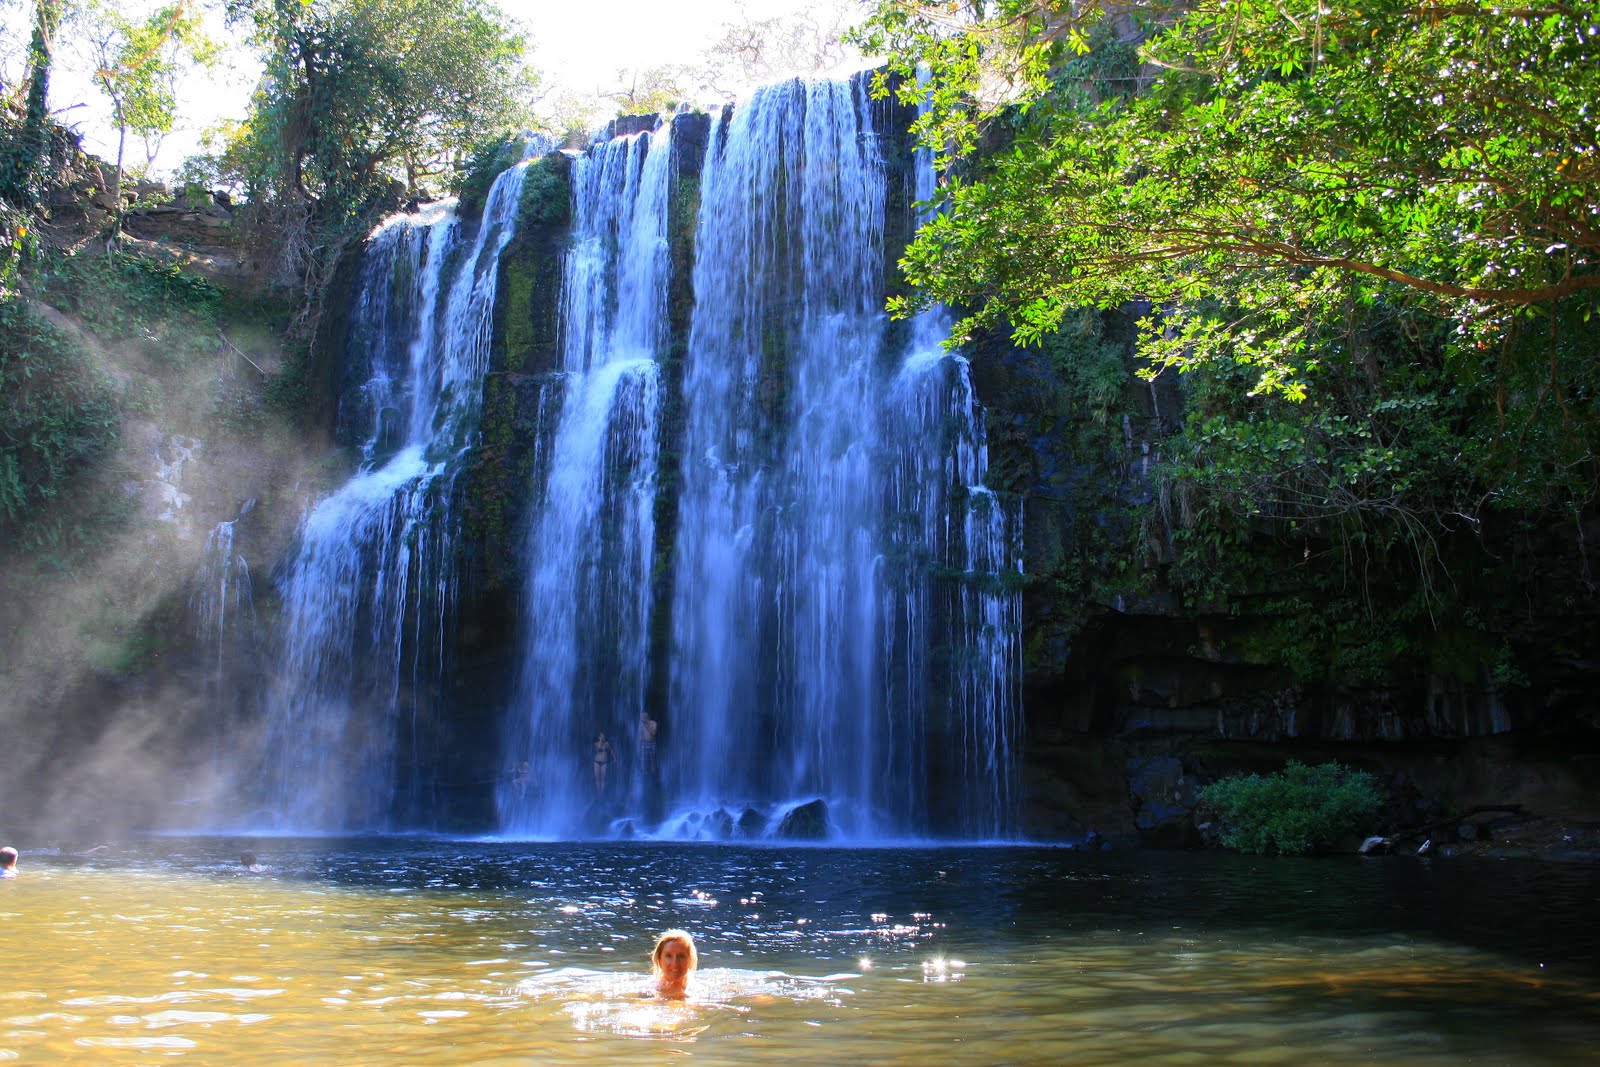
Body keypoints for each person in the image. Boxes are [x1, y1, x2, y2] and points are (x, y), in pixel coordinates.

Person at [649, 929, 697, 999]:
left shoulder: (697, 992)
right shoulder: (649, 992)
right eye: (669, 956)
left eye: (681, 956)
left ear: (690, 960)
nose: (675, 963)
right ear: (659, 960)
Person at [638, 712, 659, 778]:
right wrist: (638, 747)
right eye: (642, 718)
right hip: (644, 744)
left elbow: (654, 733)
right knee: (643, 760)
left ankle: (653, 775)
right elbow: (640, 736)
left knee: (653, 759)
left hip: (652, 743)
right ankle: (644, 775)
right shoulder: (641, 725)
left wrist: (647, 726)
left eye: (643, 718)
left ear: (647, 717)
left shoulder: (654, 723)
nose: (642, 719)